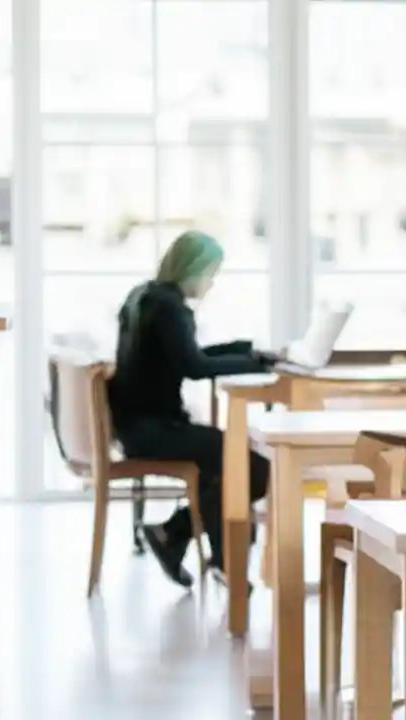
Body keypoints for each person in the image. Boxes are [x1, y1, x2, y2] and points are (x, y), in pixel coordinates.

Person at [109, 230, 276, 589]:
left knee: (228, 463)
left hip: (136, 427)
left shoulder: (146, 297)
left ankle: (179, 536)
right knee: (252, 466)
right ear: (193, 269)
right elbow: (195, 366)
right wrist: (259, 367)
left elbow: (186, 354)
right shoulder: (171, 309)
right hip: (155, 431)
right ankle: (213, 555)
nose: (212, 283)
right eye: (211, 273)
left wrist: (247, 351)